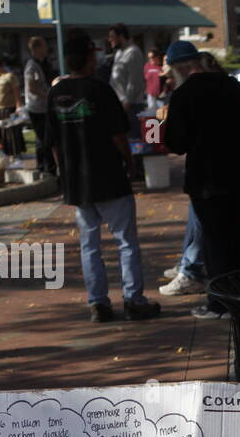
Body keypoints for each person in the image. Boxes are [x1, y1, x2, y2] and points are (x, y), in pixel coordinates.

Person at [47, 30, 160, 322]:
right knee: (126, 241)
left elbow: (53, 143)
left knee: (90, 244)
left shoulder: (56, 93)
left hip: (78, 182)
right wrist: (129, 161)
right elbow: (117, 135)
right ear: (87, 58)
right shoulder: (100, 90)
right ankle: (133, 300)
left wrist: (64, 172)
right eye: (93, 54)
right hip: (108, 176)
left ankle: (98, 302)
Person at [161, 39, 240, 320]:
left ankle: (219, 303)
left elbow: (176, 143)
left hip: (205, 178)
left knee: (214, 245)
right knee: (237, 240)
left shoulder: (184, 94)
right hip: (236, 174)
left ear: (178, 67)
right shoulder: (232, 87)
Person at [24, 36, 55, 174]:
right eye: (44, 46)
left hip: (44, 107)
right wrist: (48, 96)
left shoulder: (44, 64)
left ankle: (48, 166)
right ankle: (44, 166)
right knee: (43, 138)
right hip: (36, 108)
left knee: (47, 137)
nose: (46, 48)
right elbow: (32, 88)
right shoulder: (32, 66)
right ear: (36, 48)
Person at [108, 23, 146, 129]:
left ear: (121, 36)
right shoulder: (119, 53)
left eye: (112, 36)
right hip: (120, 104)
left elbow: (134, 82)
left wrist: (126, 106)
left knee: (133, 141)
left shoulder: (133, 52)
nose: (109, 39)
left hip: (130, 106)